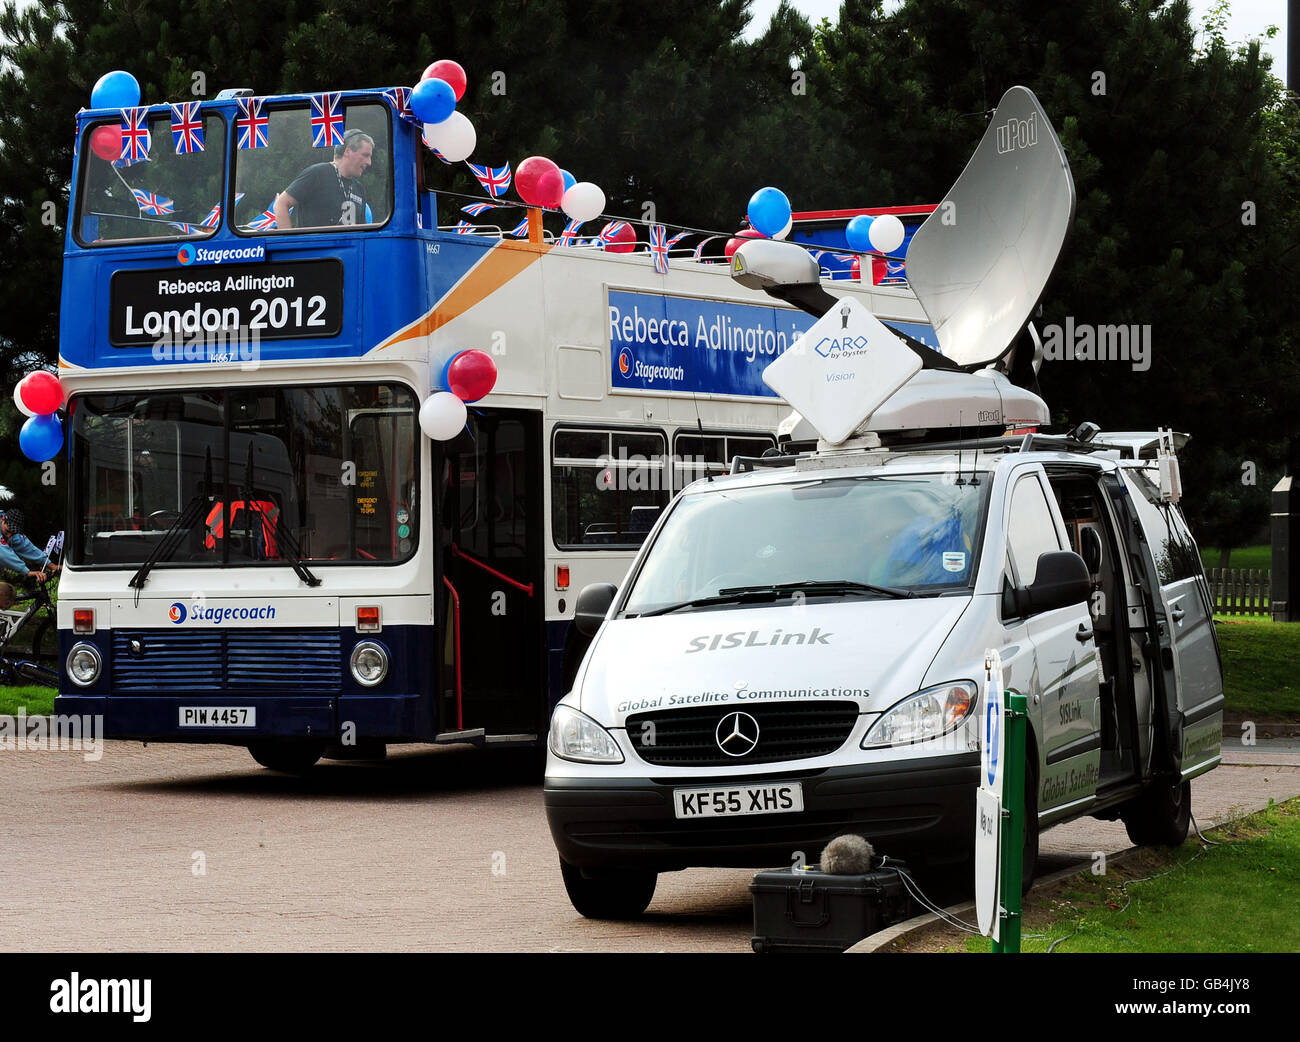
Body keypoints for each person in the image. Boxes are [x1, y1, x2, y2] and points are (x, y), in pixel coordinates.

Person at [273, 129, 374, 230]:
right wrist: (289, 238)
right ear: (348, 151)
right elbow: (281, 204)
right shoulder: (317, 173)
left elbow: (362, 231)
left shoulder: (359, 189)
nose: (369, 162)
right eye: (365, 155)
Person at [0, 509, 56, 582]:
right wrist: (27, 572)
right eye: (7, 531)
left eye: (13, 532)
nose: (9, 535)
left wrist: (51, 565)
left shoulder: (11, 531)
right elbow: (3, 554)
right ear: (3, 519)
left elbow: (27, 547)